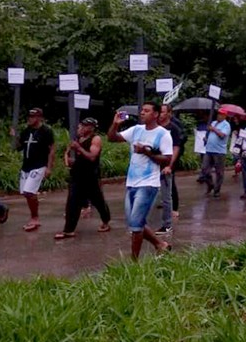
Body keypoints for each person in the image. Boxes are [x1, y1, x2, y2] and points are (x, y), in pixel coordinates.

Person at [107, 102, 173, 259]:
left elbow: (167, 159)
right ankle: (160, 244)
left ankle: (134, 262)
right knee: (135, 222)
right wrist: (115, 124)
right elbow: (112, 138)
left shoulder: (163, 134)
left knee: (136, 225)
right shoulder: (136, 129)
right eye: (142, 110)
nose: (142, 113)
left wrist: (146, 152)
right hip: (131, 183)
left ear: (155, 114)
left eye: (147, 111)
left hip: (148, 184)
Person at [55, 117, 111, 239]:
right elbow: (70, 154)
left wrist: (79, 148)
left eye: (86, 126)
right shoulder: (78, 138)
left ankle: (106, 220)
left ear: (91, 128)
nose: (82, 128)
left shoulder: (95, 139)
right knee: (73, 201)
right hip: (77, 175)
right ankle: (68, 230)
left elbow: (92, 157)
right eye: (82, 125)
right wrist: (70, 161)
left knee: (98, 200)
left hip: (90, 176)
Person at [14, 108, 55, 232]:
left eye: (33, 117)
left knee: (29, 192)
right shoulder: (26, 131)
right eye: (29, 117)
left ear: (39, 118)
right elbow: (19, 147)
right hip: (26, 165)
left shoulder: (46, 131)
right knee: (25, 193)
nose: (30, 119)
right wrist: (15, 136)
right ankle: (34, 215)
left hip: (39, 165)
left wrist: (49, 167)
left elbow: (52, 149)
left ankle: (35, 217)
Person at [156, 102, 184, 235]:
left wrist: (170, 165)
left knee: (169, 188)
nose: (160, 114)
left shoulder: (174, 129)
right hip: (154, 162)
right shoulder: (155, 127)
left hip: (167, 163)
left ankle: (170, 216)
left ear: (169, 113)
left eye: (162, 112)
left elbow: (176, 148)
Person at [203, 110, 231, 199]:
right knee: (204, 169)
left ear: (225, 116)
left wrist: (214, 129)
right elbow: (209, 133)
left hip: (219, 151)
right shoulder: (213, 123)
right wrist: (206, 138)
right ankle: (210, 184)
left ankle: (217, 190)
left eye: (221, 114)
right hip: (209, 150)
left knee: (219, 172)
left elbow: (222, 135)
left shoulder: (226, 125)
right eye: (218, 114)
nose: (219, 116)